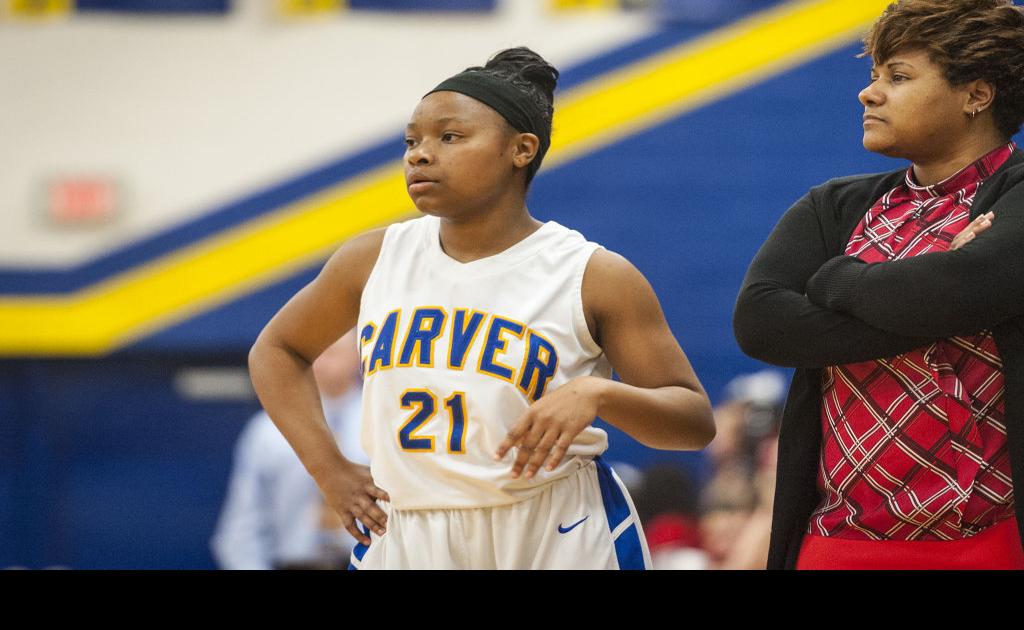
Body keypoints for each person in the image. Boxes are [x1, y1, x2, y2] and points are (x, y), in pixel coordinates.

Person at [247, 47, 714, 570]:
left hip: (553, 528)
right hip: (408, 529)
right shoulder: (372, 258)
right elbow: (277, 350)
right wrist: (328, 469)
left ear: (521, 149)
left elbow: (693, 422)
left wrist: (598, 393)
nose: (420, 155)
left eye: (449, 137)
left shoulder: (592, 274)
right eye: (412, 141)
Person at [733, 0, 1024, 569]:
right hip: (841, 539)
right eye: (874, 75)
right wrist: (936, 296)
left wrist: (836, 277)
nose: (869, 93)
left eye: (898, 77)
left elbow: (942, 294)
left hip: (1016, 541)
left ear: (976, 94)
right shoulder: (833, 207)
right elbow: (760, 322)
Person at [211, 331, 367, 570]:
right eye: (313, 354)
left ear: (358, 354)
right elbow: (242, 527)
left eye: (331, 353)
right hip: (294, 562)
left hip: (370, 561)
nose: (321, 363)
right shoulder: (267, 429)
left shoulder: (384, 423)